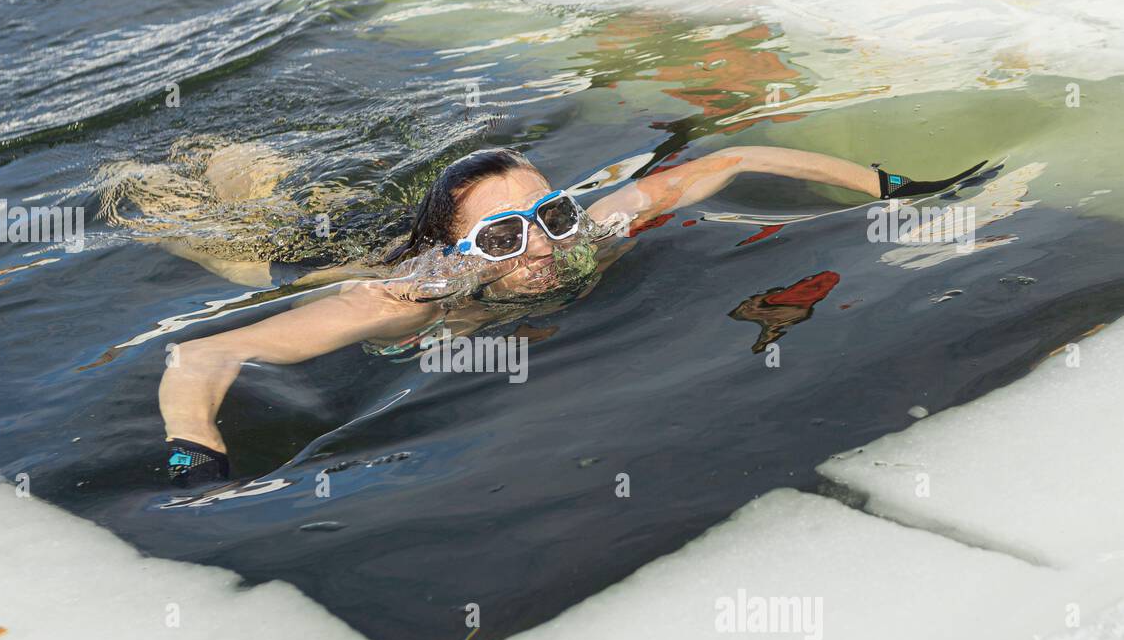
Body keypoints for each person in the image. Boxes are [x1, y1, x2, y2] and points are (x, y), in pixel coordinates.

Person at [157, 144, 984, 483]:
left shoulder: (590, 233)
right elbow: (198, 359)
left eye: (551, 215)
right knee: (240, 251)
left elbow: (734, 159)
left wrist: (898, 189)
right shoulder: (405, 299)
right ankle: (222, 179)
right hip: (342, 266)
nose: (546, 244)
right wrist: (196, 467)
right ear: (460, 252)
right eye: (509, 232)